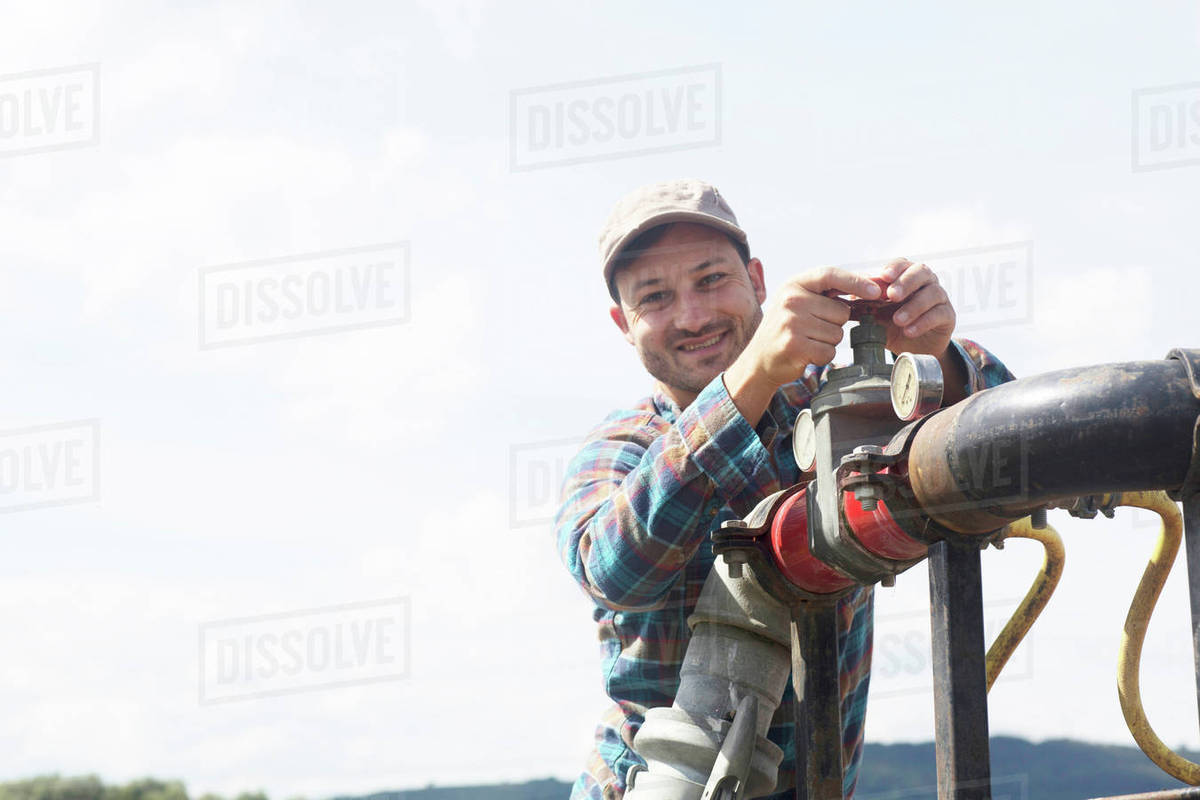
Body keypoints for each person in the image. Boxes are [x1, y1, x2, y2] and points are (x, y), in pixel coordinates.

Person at [554, 179, 1015, 800]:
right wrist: (750, 379)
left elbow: (1018, 441)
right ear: (623, 323)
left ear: (758, 283)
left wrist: (934, 361)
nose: (692, 316)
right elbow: (616, 569)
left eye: (711, 279)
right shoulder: (617, 451)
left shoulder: (836, 401)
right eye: (656, 297)